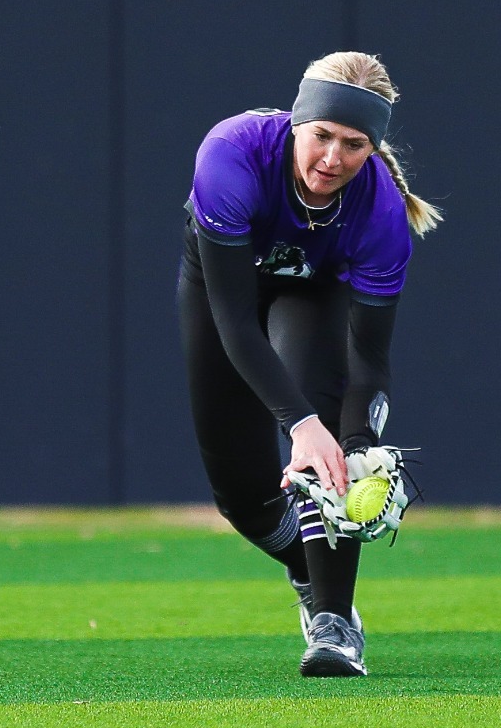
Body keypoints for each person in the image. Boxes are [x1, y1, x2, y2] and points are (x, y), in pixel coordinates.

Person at [177, 51, 441, 676]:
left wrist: (355, 443)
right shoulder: (232, 152)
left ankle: (334, 622)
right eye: (322, 135)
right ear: (298, 121)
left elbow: (369, 361)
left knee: (331, 450)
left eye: (355, 144)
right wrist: (300, 426)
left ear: (373, 147)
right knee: (240, 494)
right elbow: (237, 323)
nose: (333, 158)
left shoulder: (381, 215)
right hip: (227, 295)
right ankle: (306, 567)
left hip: (312, 290)